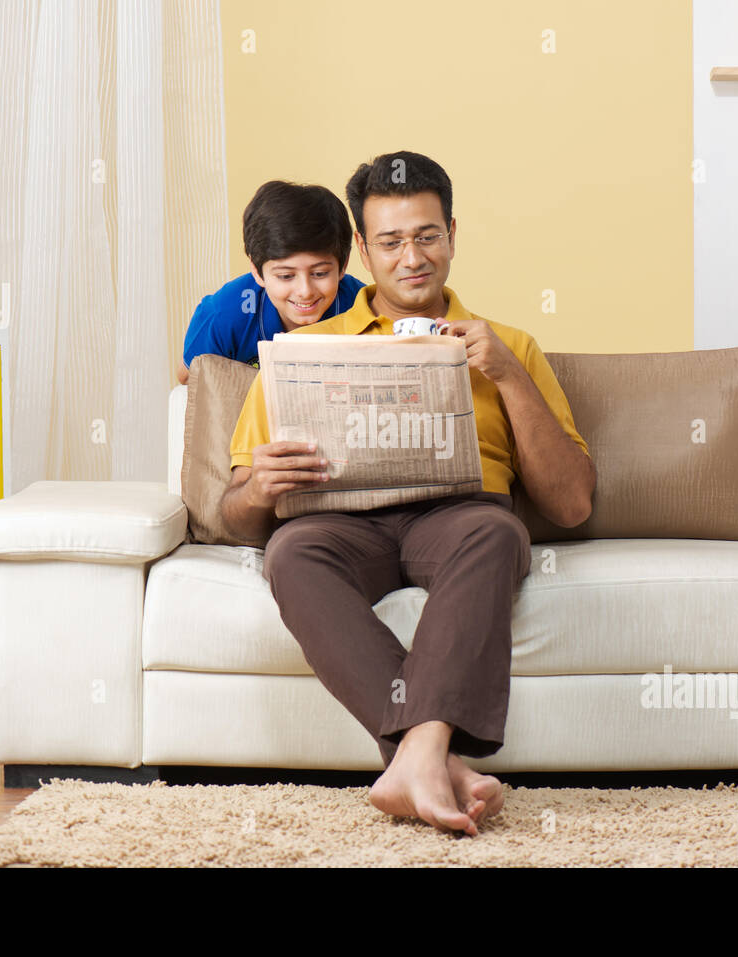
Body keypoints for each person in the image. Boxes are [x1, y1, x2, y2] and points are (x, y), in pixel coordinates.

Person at [220, 151, 595, 837]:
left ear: (453, 232)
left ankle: (416, 760)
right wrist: (258, 490)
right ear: (362, 247)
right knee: (292, 552)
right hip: (340, 521)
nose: (411, 257)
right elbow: (233, 513)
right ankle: (432, 761)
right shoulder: (305, 348)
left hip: (459, 519)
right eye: (390, 241)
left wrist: (508, 377)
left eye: (426, 235)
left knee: (496, 531)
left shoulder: (510, 345)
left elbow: (571, 504)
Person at [176, 180, 366, 385]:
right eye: (286, 276)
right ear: (257, 272)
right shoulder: (224, 313)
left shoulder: (363, 306)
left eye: (319, 273)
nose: (305, 291)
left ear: (343, 266)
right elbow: (187, 377)